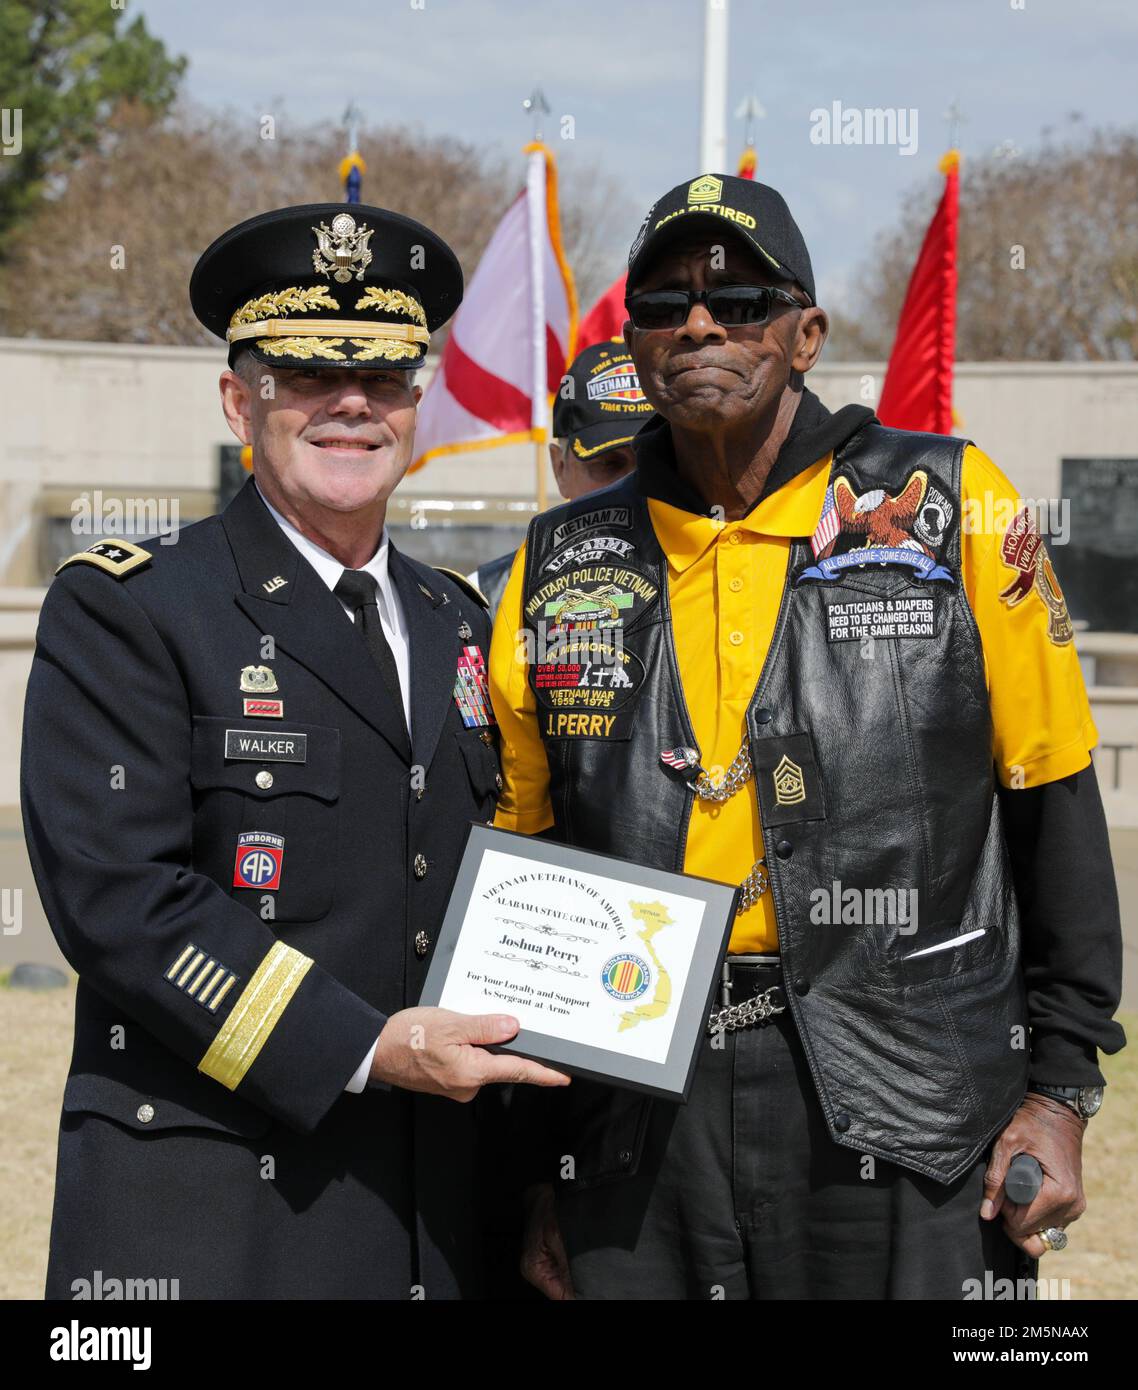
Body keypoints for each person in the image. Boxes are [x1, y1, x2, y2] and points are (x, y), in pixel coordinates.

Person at [489, 173, 1126, 1300]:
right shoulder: (554, 562)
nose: (698, 326)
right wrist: (536, 1169)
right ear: (630, 341)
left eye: (739, 302)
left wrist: (1060, 1088)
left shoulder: (952, 503)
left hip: (912, 1100)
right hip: (639, 1114)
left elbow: (1051, 795)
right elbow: (528, 873)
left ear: (805, 332)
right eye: (663, 303)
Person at [22, 202, 568, 1301]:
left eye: (383, 376)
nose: (351, 403)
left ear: (417, 403)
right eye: (309, 373)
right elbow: (123, 902)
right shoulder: (132, 608)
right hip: (224, 1214)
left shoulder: (463, 620)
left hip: (443, 1216)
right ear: (242, 398)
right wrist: (366, 1048)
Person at [469, 340, 652, 617]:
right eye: (610, 464)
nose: (633, 485)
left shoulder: (721, 576)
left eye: (654, 462)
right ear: (560, 468)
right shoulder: (488, 596)